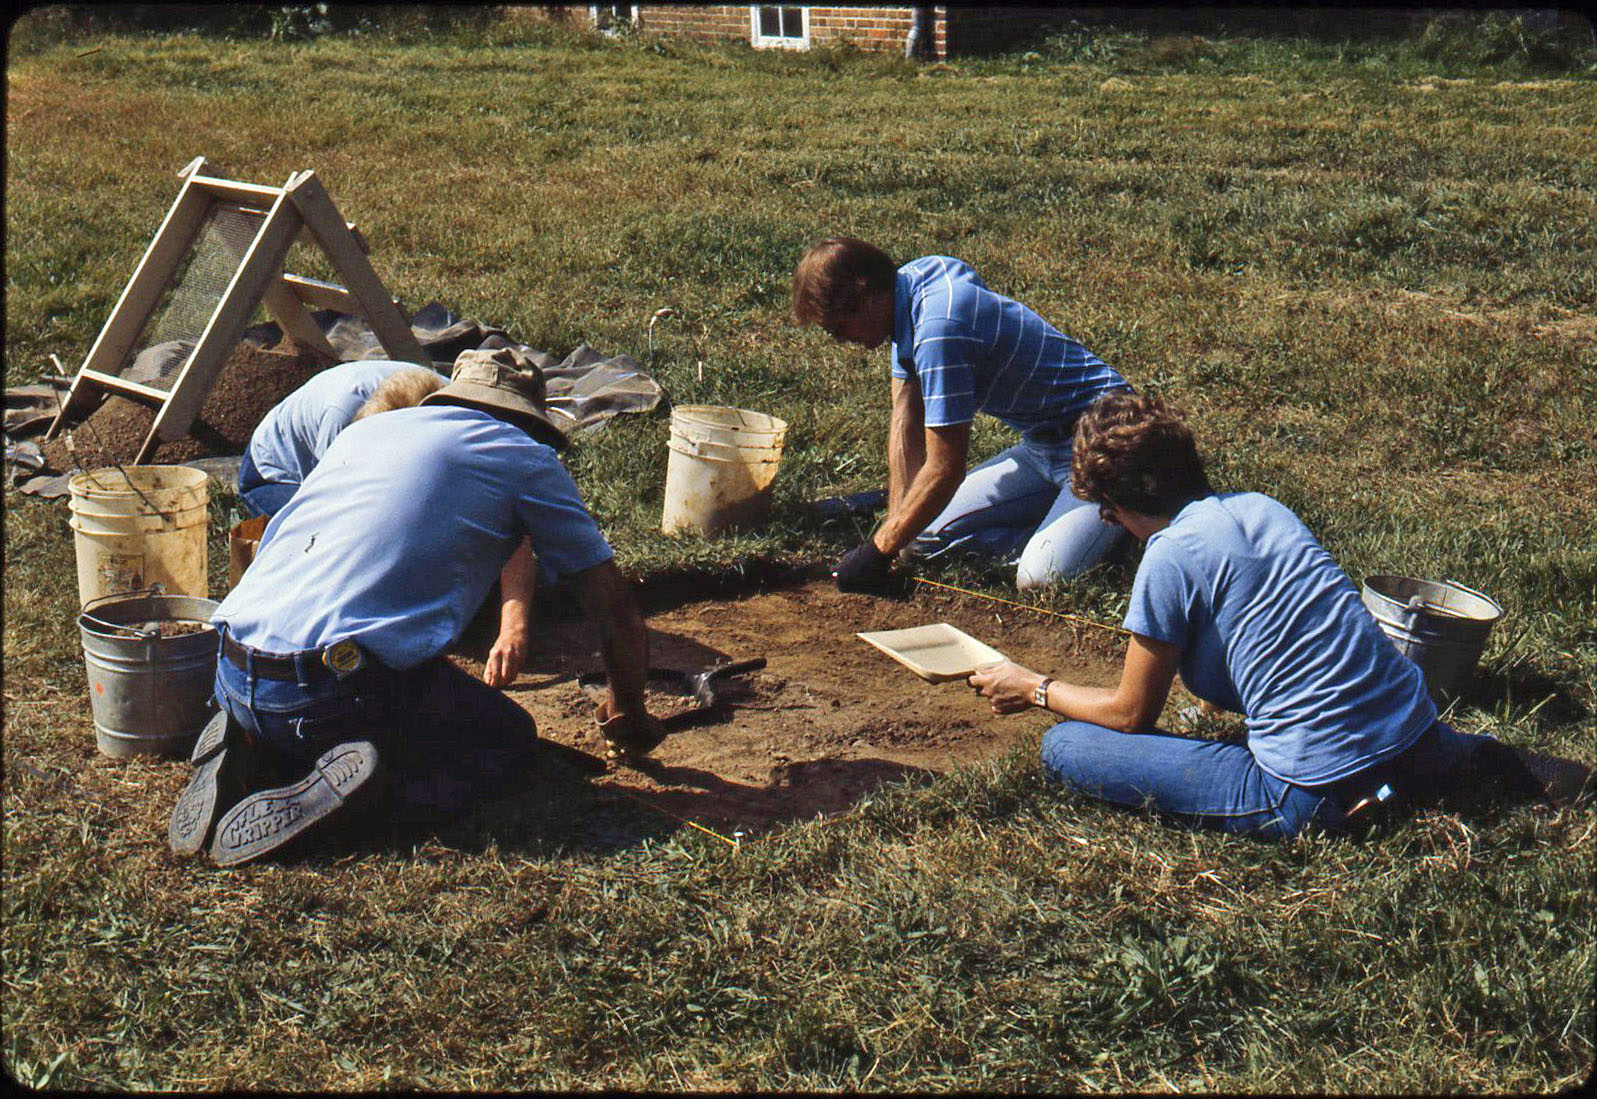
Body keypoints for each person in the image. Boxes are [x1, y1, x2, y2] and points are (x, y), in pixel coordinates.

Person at [966, 391, 1591, 839]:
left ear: (1118, 503)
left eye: (1105, 507)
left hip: (1314, 791)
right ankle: (1496, 766)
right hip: (1411, 731)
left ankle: (1335, 799)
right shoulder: (1264, 507)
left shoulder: (1168, 555)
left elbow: (1131, 714)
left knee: (1066, 747)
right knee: (1429, 753)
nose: (1108, 522)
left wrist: (1036, 687)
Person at [169, 347, 663, 867]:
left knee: (406, 682)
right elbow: (614, 610)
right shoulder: (523, 456)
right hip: (326, 691)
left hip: (229, 665)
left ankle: (253, 746)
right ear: (526, 419)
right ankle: (364, 796)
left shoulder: (364, 433)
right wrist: (629, 712)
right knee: (508, 741)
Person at [793, 237, 1133, 594]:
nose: (840, 341)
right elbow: (903, 424)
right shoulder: (909, 287)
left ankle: (1119, 533)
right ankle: (1066, 525)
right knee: (919, 540)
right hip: (1042, 446)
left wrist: (877, 552)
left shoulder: (939, 328)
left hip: (1108, 442)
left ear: (866, 296)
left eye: (837, 327)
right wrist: (890, 537)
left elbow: (945, 467)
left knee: (1041, 580)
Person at [237, 357, 536, 690]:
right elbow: (341, 528)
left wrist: (513, 629)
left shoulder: (454, 408)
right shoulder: (349, 428)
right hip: (277, 472)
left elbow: (508, 521)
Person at [237, 359, 443, 519]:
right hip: (273, 472)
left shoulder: (443, 396)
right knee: (319, 532)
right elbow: (335, 499)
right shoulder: (342, 422)